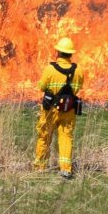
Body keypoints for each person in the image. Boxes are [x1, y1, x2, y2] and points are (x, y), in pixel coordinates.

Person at [34, 37, 85, 179]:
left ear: (59, 53)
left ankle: (40, 166)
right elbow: (78, 87)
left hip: (50, 110)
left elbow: (41, 87)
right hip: (69, 110)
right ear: (70, 54)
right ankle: (66, 169)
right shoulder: (78, 70)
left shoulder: (51, 69)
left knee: (44, 136)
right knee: (66, 137)